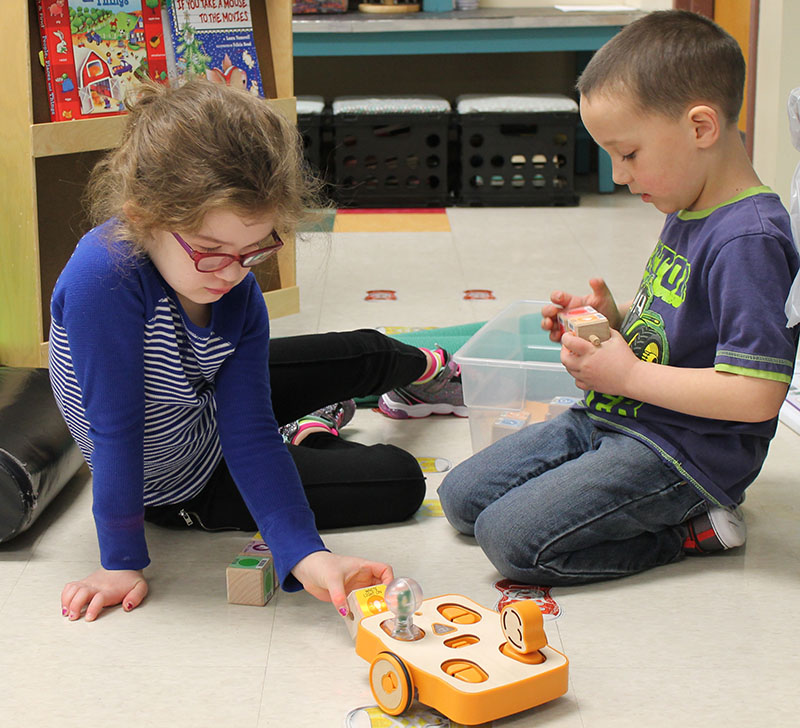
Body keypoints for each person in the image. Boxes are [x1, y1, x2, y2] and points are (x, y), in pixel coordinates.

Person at [48, 79, 462, 622]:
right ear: (143, 217)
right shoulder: (101, 280)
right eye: (211, 251)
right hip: (183, 482)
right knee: (397, 480)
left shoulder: (232, 287)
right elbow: (115, 431)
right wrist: (120, 561)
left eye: (252, 250)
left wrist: (306, 554)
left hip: (202, 403)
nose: (234, 272)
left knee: (363, 353)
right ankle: (316, 426)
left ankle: (427, 373)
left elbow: (248, 430)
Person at [438, 10, 799, 586]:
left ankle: (691, 531)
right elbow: (690, 330)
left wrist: (625, 375)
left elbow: (756, 395)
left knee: (510, 542)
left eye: (628, 154)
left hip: (683, 454)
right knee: (460, 499)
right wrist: (615, 320)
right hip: (616, 416)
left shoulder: (748, 240)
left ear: (701, 127)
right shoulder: (688, 203)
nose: (619, 174)